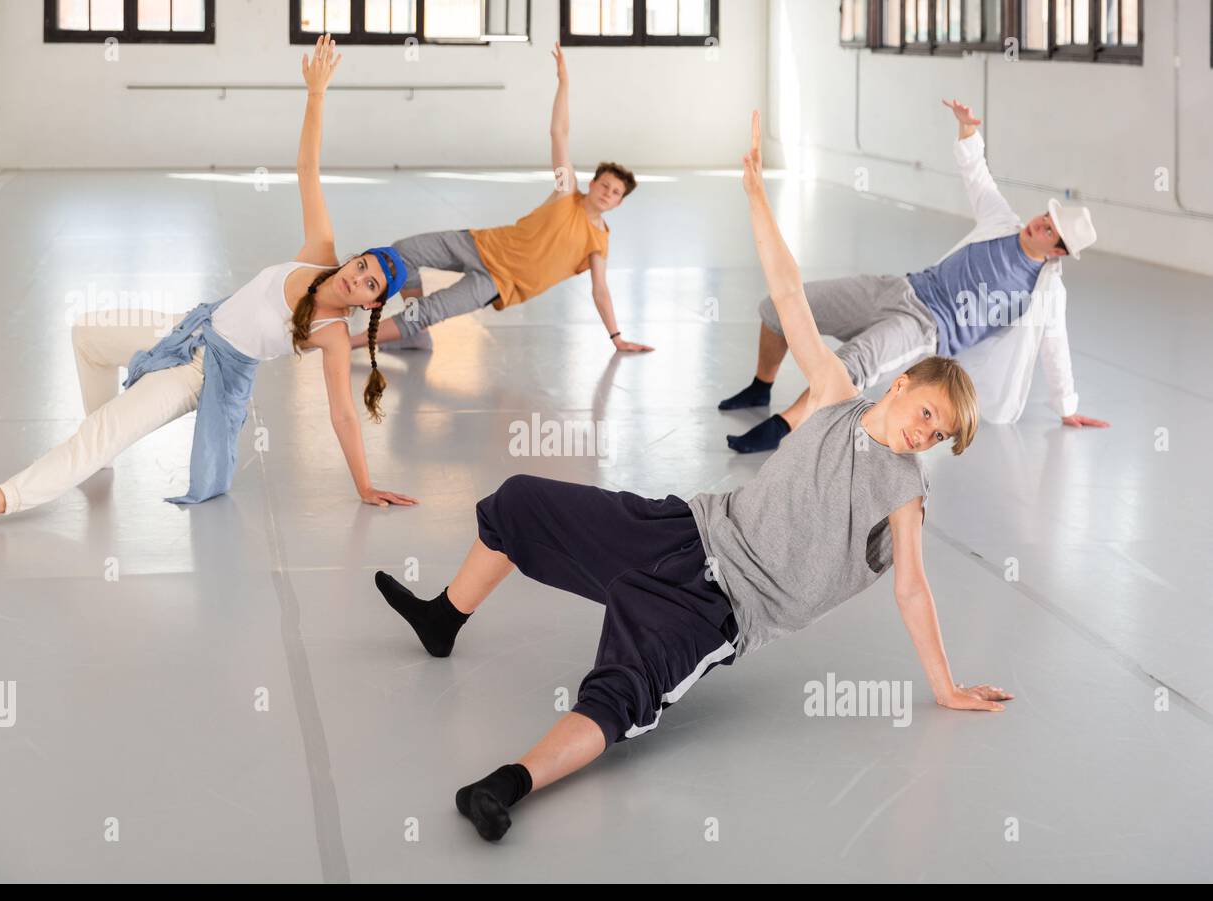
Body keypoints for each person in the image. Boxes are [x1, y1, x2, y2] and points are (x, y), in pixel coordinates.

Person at [373, 112, 1010, 843]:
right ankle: (442, 618)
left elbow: (912, 587)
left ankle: (506, 784)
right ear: (900, 385)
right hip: (683, 527)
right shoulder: (837, 393)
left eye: (940, 434)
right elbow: (792, 298)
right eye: (927, 412)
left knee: (620, 696)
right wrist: (754, 197)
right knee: (517, 501)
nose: (925, 434)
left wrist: (946, 686)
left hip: (718, 607)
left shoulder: (905, 489)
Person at [0, 35, 416, 534]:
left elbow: (343, 416)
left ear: (373, 303)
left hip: (204, 375)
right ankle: (99, 453)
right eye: (363, 267)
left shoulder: (331, 333)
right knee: (87, 336)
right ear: (354, 259)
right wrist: (316, 93)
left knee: (101, 430)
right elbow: (307, 168)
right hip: (188, 328)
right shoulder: (319, 254)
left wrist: (365, 486)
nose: (359, 280)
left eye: (371, 285)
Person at [719, 98, 1108, 454]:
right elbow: (977, 176)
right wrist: (967, 129)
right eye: (1045, 217)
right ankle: (760, 387)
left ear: (1058, 251)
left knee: (851, 365)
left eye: (1049, 230)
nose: (1040, 224)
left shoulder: (1044, 293)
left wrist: (1067, 407)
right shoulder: (1003, 223)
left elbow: (1055, 347)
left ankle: (781, 428)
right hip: (899, 288)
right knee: (779, 307)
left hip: (925, 330)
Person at [352, 43, 654, 355]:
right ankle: (414, 334)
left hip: (498, 283)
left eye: (616, 193)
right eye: (605, 185)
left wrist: (616, 337)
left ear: (619, 203)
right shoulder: (566, 192)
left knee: (429, 311)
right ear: (592, 184)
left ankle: (348, 344)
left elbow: (600, 290)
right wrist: (564, 83)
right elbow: (559, 133)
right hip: (479, 244)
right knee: (403, 252)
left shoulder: (599, 242)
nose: (608, 193)